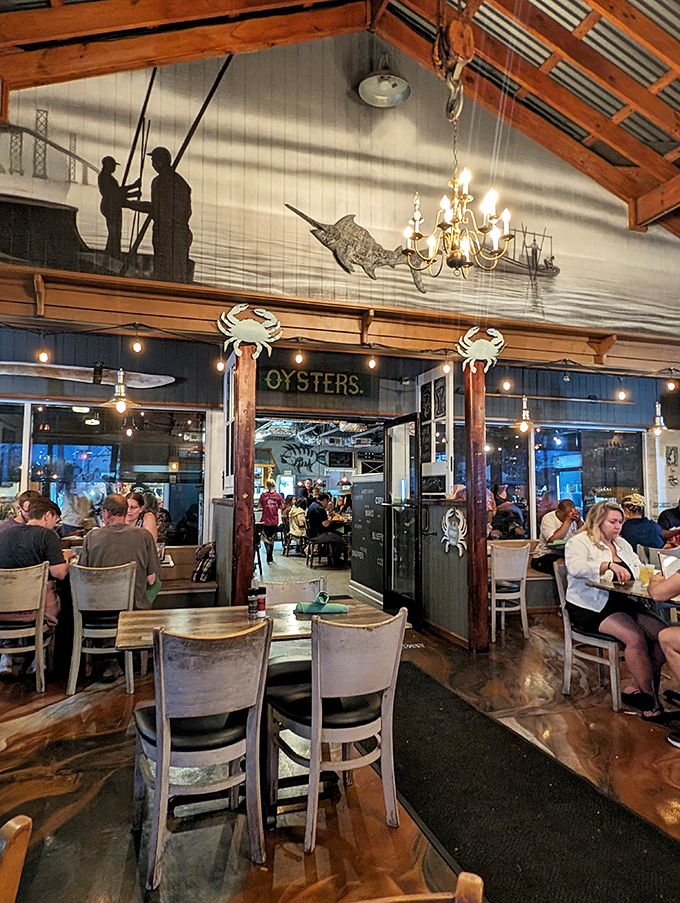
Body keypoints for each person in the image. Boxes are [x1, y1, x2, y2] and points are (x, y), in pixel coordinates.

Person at [565, 500, 665, 721]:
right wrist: (606, 565)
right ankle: (650, 699)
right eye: (612, 522)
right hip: (590, 605)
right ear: (598, 520)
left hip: (623, 602)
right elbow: (575, 568)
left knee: (663, 635)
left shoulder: (622, 544)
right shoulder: (579, 541)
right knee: (634, 637)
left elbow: (638, 568)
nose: (618, 526)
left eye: (620, 521)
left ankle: (635, 687)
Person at [79, 493, 160, 681]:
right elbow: (151, 579)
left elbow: (83, 575)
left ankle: (107, 656)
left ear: (106, 513)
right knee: (148, 593)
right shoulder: (144, 536)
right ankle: (136, 653)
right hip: (132, 611)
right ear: (126, 512)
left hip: (97, 612)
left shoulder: (92, 536)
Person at [0, 497, 73, 675]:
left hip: (3, 610)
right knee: (66, 608)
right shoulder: (47, 535)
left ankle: (7, 656)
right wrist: (66, 558)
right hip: (36, 611)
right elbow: (59, 573)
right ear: (47, 515)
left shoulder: (5, 534)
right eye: (55, 519)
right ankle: (41, 657)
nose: (55, 524)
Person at [128, 146, 192, 282]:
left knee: (169, 273)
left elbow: (156, 209)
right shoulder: (180, 183)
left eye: (153, 161)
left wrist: (129, 204)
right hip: (176, 234)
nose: (152, 164)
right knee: (174, 272)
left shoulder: (160, 182)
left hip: (168, 235)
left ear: (160, 162)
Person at [97, 156, 139, 258]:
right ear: (107, 166)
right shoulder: (105, 178)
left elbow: (117, 194)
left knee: (114, 232)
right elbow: (115, 193)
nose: (114, 168)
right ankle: (113, 253)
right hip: (110, 207)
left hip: (111, 206)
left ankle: (111, 252)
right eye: (113, 166)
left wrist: (133, 194)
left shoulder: (106, 177)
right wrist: (133, 186)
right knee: (115, 232)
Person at [532, 499, 582, 574]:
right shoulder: (548, 518)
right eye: (565, 515)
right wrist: (568, 521)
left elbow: (586, 536)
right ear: (559, 511)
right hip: (544, 555)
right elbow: (553, 540)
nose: (568, 517)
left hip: (568, 554)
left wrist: (579, 522)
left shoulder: (575, 519)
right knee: (563, 565)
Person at [307, 491, 345, 566]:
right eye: (328, 501)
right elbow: (326, 524)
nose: (328, 504)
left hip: (312, 533)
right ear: (325, 500)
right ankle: (335, 560)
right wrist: (330, 518)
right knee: (339, 538)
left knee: (336, 535)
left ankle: (331, 557)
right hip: (319, 534)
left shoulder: (312, 505)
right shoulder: (320, 508)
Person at [258, 478, 284, 563]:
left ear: (267, 485)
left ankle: (268, 551)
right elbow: (282, 506)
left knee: (266, 537)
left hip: (265, 519)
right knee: (272, 537)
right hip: (274, 519)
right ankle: (270, 554)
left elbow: (259, 506)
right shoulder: (278, 495)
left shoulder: (263, 495)